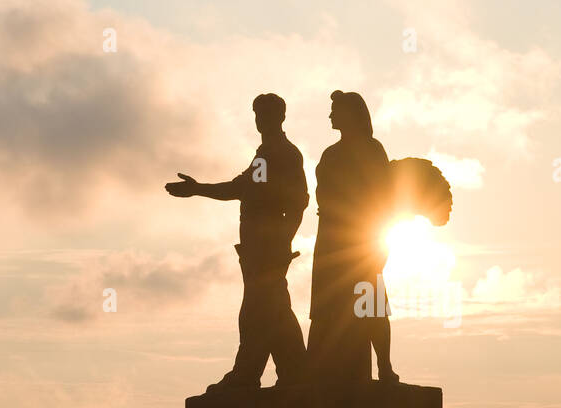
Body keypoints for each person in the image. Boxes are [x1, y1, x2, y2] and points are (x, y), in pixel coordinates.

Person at [166, 93, 308, 392]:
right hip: (258, 247)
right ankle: (295, 372)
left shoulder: (282, 153)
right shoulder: (266, 153)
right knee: (274, 309)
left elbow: (299, 201)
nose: (259, 121)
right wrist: (198, 189)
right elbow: (242, 188)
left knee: (257, 310)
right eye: (256, 115)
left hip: (267, 249)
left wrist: (283, 239)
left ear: (280, 118)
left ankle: (247, 376)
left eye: (265, 115)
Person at [307, 90, 398, 387]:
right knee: (330, 305)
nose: (331, 115)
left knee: (371, 304)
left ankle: (384, 367)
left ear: (351, 114)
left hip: (363, 238)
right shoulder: (330, 154)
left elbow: (385, 196)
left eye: (336, 110)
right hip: (332, 239)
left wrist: (380, 240)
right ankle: (325, 369)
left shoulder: (372, 150)